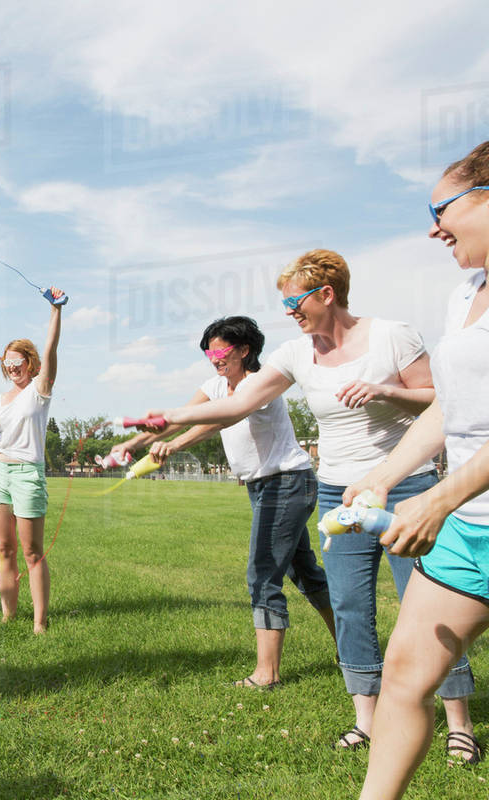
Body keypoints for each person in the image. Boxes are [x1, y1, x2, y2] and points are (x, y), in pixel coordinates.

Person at [136, 249, 476, 754]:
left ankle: (459, 723)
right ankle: (368, 719)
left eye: (294, 301)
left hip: (406, 485)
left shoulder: (392, 335)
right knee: (349, 604)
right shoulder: (296, 353)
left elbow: (441, 399)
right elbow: (240, 402)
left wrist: (385, 391)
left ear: (327, 294)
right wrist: (171, 416)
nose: (289, 311)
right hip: (339, 491)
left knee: (426, 605)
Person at [352, 141, 489, 798]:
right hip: (472, 524)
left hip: (455, 505)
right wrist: (386, 474)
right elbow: (450, 409)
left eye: (442, 211)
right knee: (405, 674)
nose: (434, 229)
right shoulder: (467, 292)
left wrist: (436, 499)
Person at [113, 316, 336, 687]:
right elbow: (175, 420)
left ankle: (267, 674)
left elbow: (222, 419)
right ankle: (349, 646)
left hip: (286, 482)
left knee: (263, 573)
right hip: (264, 486)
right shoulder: (215, 385)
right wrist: (133, 443)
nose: (214, 359)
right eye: (209, 353)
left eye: (221, 351)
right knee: (305, 572)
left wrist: (176, 445)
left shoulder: (258, 384)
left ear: (244, 350)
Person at [0, 288, 65, 633]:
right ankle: (8, 616)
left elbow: (51, 349)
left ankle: (40, 622)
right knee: (4, 548)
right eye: (7, 364)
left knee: (32, 551)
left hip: (27, 475)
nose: (12, 368)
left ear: (30, 363)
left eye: (17, 363)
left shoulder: (40, 390)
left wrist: (55, 311)